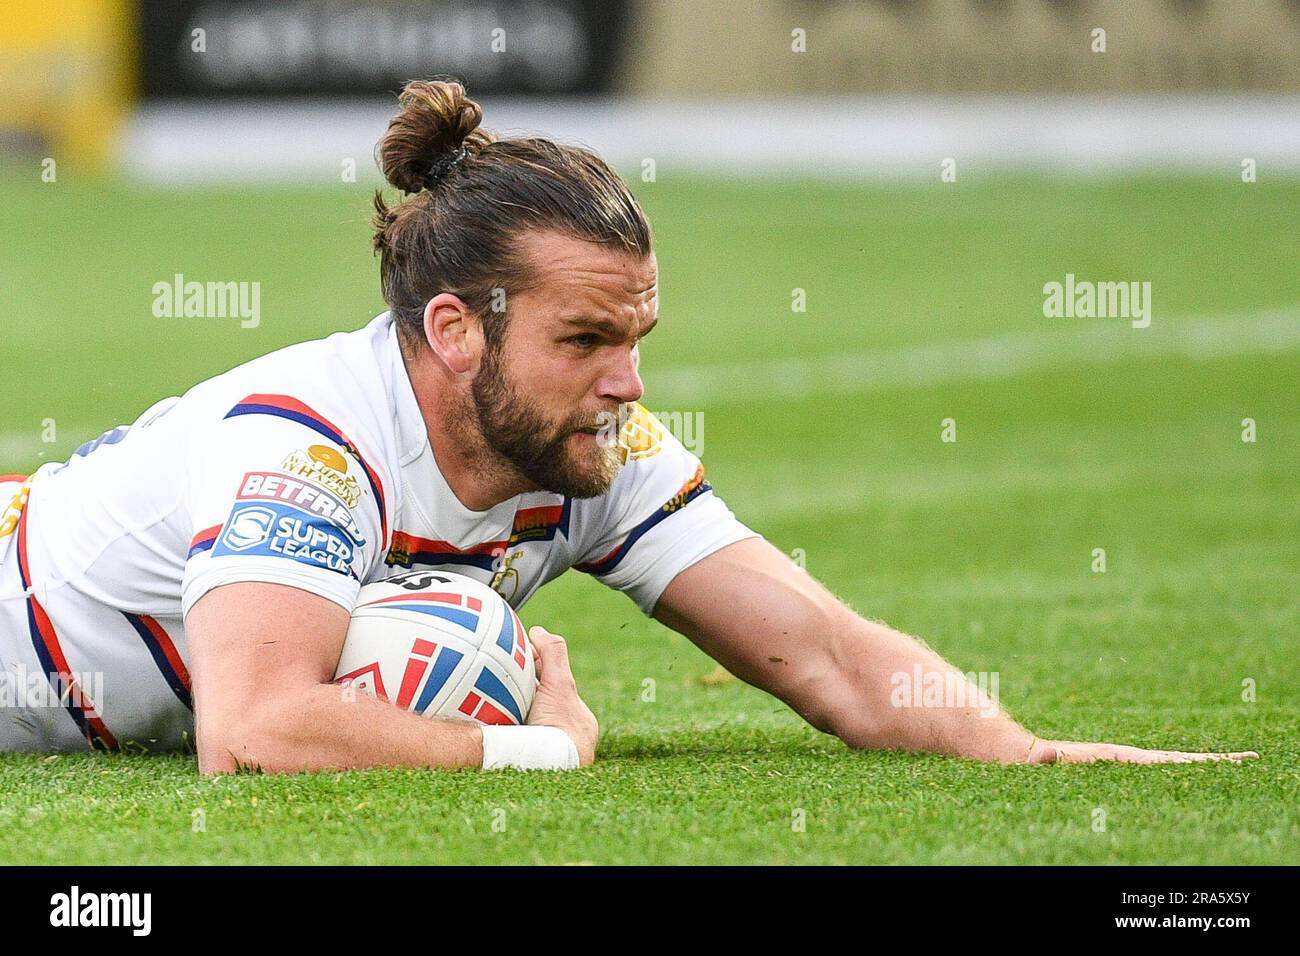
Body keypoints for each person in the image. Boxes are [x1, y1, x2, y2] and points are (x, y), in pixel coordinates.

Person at [0, 80, 1256, 772]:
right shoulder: (312, 448)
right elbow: (256, 733)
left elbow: (821, 651)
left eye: (638, 338)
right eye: (586, 341)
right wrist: (543, 748)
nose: (629, 385)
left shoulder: (589, 451)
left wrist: (1029, 753)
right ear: (455, 331)